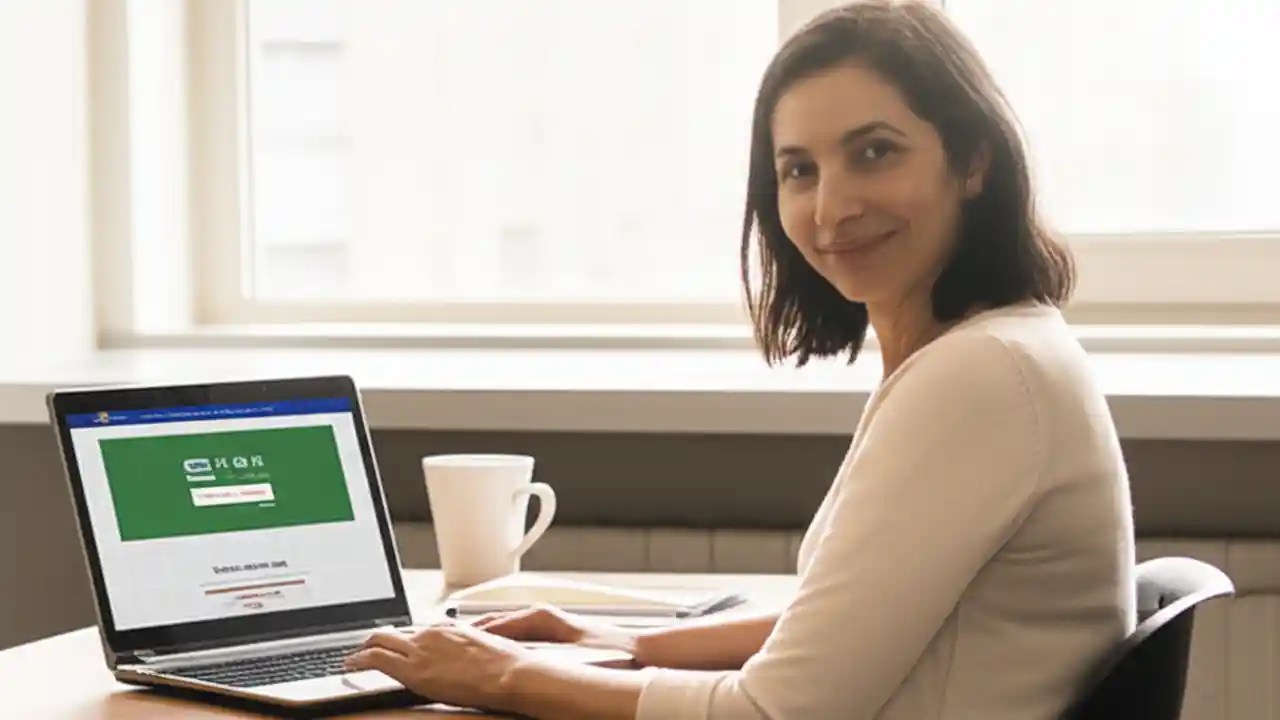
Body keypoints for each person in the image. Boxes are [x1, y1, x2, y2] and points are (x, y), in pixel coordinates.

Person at [344, 1, 1137, 717]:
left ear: (973, 162)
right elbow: (838, 625)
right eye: (800, 170)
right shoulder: (999, 349)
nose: (831, 208)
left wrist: (503, 677)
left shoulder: (981, 377)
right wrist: (622, 641)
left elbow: (774, 712)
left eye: (874, 153)